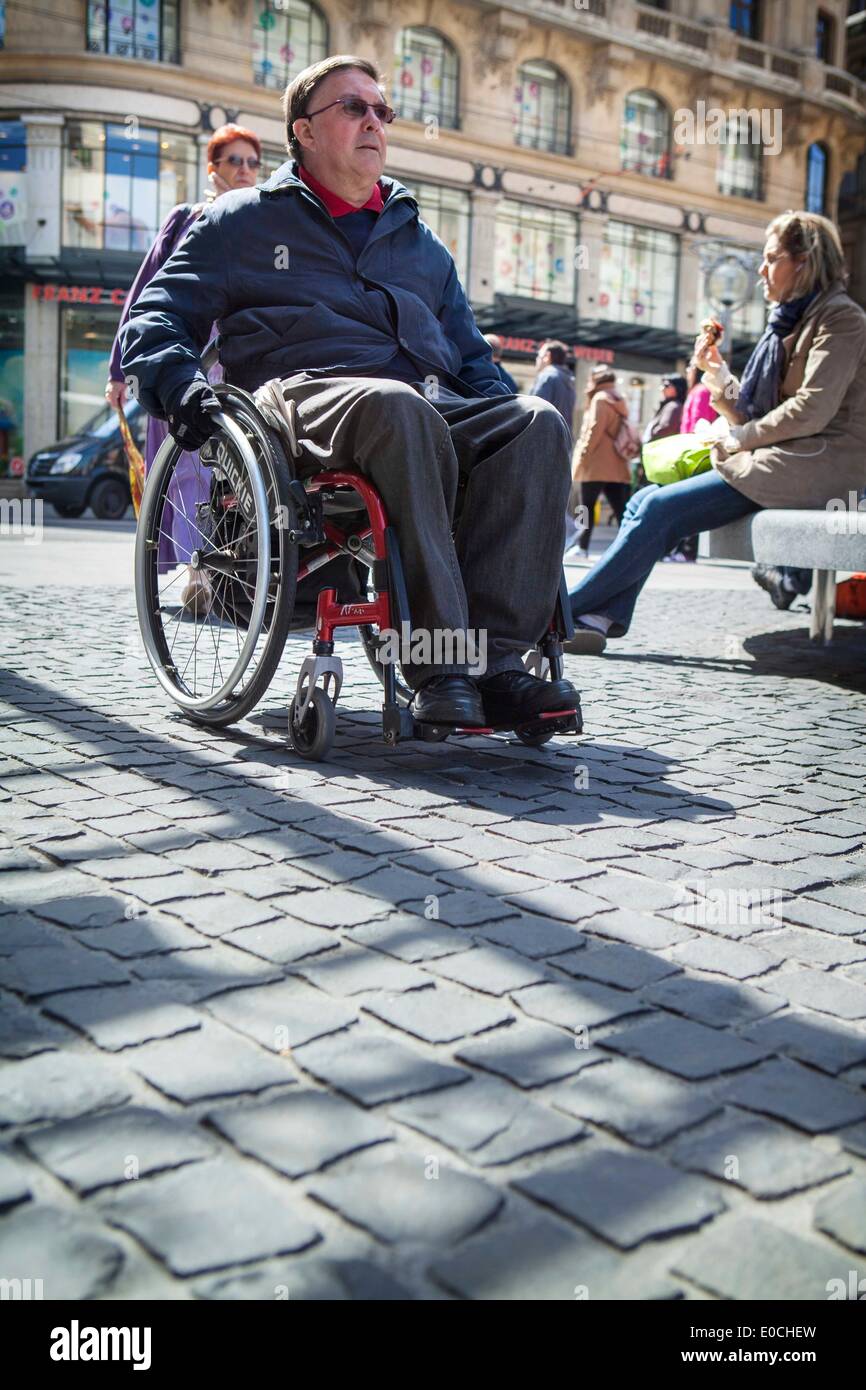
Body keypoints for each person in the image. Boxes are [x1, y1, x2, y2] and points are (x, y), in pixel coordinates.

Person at [119, 54, 579, 730]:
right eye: (354, 108)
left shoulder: (420, 244)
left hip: (418, 407)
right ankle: (439, 665)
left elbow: (475, 365)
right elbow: (155, 315)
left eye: (382, 111)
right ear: (303, 131)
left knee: (535, 419)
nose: (375, 120)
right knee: (398, 407)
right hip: (299, 402)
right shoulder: (242, 222)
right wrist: (179, 385)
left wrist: (504, 428)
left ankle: (497, 667)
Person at [563, 210, 866, 656]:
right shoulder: (789, 321)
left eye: (771, 258)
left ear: (804, 261)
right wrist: (717, 372)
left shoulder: (840, 319)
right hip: (780, 458)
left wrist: (738, 440)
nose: (762, 270)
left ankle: (563, 613)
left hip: (820, 463)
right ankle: (599, 618)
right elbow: (753, 411)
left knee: (660, 508)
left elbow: (810, 412)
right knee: (647, 499)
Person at [106, 122, 262, 612]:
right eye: (233, 160)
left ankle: (236, 568)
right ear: (212, 168)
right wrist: (120, 369)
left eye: (252, 162)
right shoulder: (185, 218)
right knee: (188, 466)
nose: (244, 170)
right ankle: (199, 571)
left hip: (239, 360)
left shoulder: (261, 223)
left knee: (233, 471)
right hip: (184, 357)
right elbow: (145, 295)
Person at [567, 365, 632, 560]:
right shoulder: (620, 399)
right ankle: (631, 544)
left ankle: (581, 545)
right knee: (621, 508)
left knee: (584, 506)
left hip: (595, 463)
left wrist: (583, 457)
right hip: (616, 464)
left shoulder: (600, 399)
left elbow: (593, 430)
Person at [530, 340, 575, 438]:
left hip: (544, 439)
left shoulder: (547, 376)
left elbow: (535, 411)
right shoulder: (568, 379)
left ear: (548, 356)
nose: (537, 359)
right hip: (563, 439)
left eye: (539, 356)